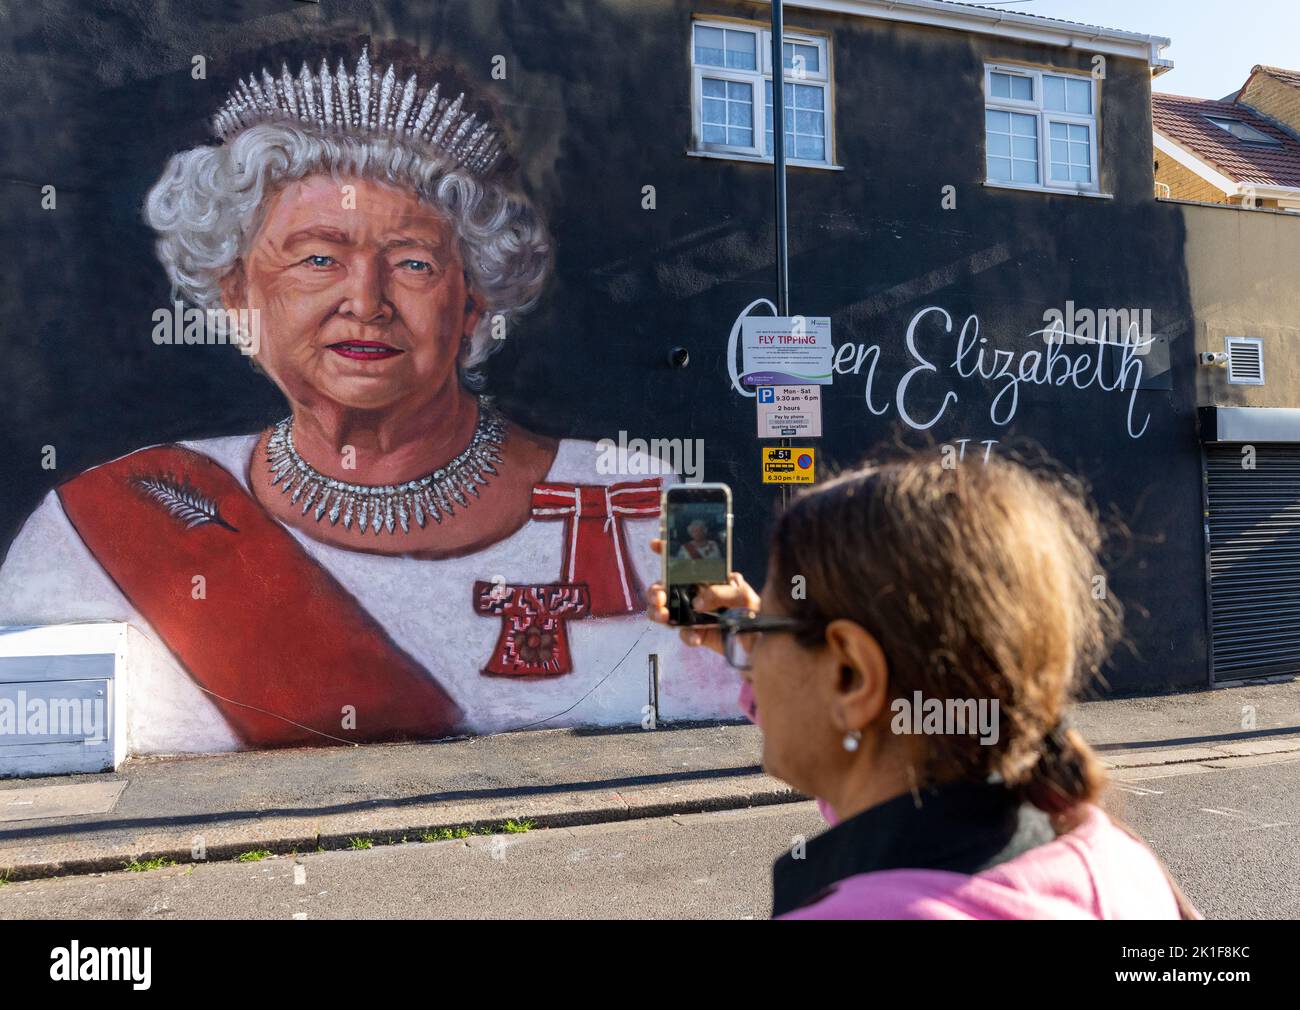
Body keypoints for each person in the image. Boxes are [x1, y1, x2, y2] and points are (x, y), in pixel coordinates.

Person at [0, 40, 731, 754]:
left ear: (473, 301)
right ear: (235, 295)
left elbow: (733, 726)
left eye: (413, 262)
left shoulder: (648, 506)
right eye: (318, 258)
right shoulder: (97, 531)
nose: (366, 301)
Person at [647, 451, 1199, 920]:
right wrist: (755, 639)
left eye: (763, 629)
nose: (752, 652)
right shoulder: (1111, 858)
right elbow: (878, 786)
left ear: (851, 675)